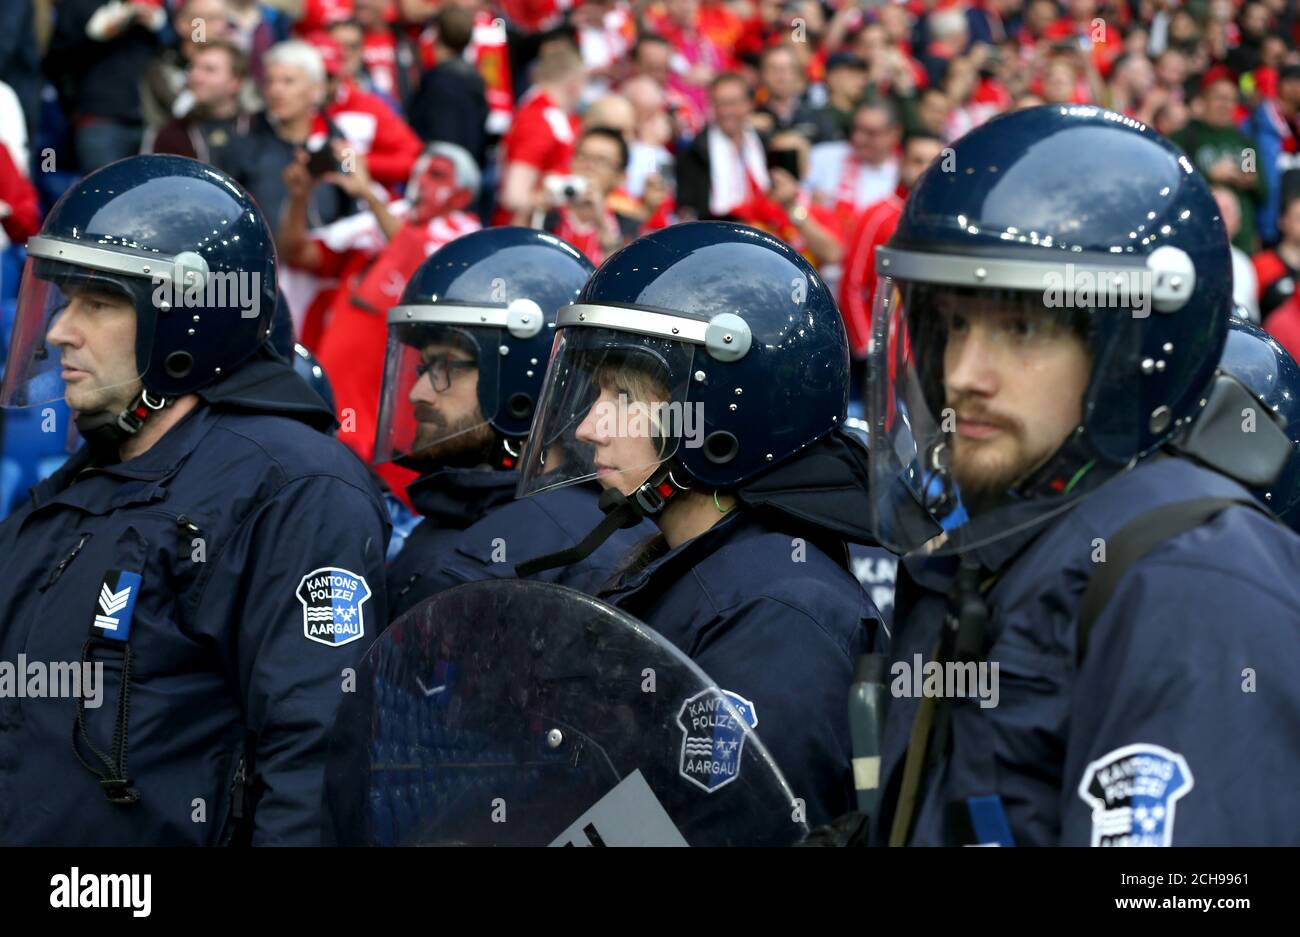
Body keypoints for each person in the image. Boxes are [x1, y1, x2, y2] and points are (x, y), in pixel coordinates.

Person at [859, 105, 1300, 847]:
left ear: (1129, 355)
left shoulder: (1193, 582)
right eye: (954, 324)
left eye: (1021, 328)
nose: (963, 376)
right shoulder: (1008, 537)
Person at [0, 155, 390, 845]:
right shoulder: (82, 482)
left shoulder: (294, 487)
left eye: (97, 301)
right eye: (64, 300)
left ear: (183, 319)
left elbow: (312, 761)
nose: (60, 329)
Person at [513, 221, 883, 828]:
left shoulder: (777, 617)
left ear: (717, 427)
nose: (587, 427)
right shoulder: (694, 567)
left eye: (624, 398)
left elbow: (719, 830)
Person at [380, 226, 650, 619]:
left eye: (444, 366)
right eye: (423, 366)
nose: (417, 393)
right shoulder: (465, 513)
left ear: (521, 383)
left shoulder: (559, 550)